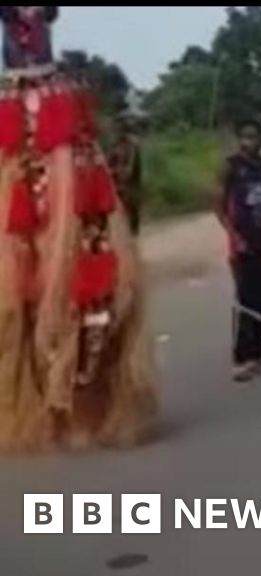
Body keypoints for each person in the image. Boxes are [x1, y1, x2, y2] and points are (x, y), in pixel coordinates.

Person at [0, 6, 155, 451]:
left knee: (87, 285)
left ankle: (85, 401)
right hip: (22, 124)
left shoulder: (44, 17)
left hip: (55, 132)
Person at [216, 119, 261, 383]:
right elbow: (219, 206)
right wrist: (234, 236)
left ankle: (259, 356)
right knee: (246, 300)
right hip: (243, 241)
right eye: (246, 136)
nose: (251, 142)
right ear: (240, 139)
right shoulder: (231, 167)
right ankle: (241, 358)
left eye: (256, 137)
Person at [108, 113, 143, 235]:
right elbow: (109, 163)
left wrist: (119, 173)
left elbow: (131, 167)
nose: (117, 129)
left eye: (119, 126)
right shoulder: (115, 145)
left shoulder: (132, 144)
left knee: (130, 214)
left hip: (129, 186)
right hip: (117, 184)